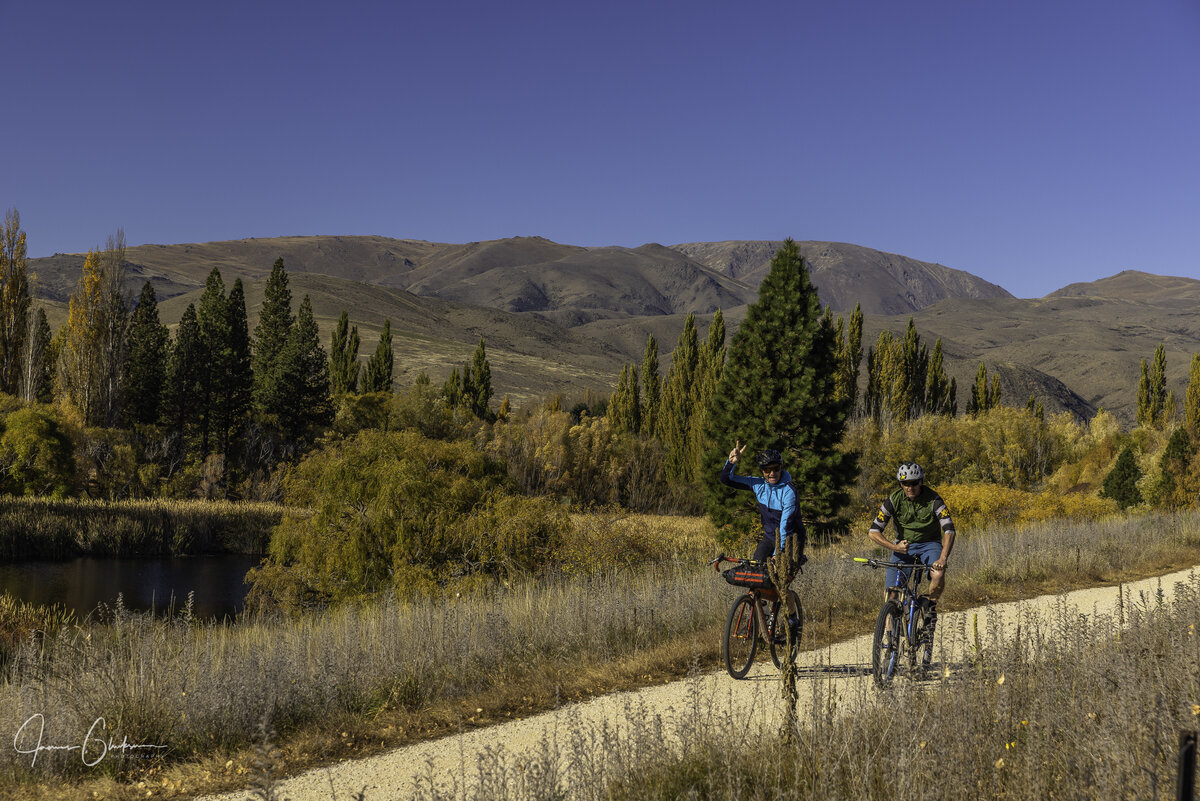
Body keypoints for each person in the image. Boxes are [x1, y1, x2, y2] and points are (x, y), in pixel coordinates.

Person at [866, 462, 956, 648]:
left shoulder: (934, 499)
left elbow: (949, 530)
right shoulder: (894, 500)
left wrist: (942, 559)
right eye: (905, 483)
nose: (910, 487)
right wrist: (894, 546)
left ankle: (930, 608)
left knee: (938, 574)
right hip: (902, 547)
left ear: (921, 482)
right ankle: (890, 637)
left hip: (929, 544)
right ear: (900, 484)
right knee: (891, 592)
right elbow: (873, 531)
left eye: (914, 483)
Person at [719, 440, 806, 628]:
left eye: (775, 469)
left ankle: (792, 619)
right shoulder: (758, 485)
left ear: (781, 468)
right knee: (754, 574)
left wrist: (777, 555)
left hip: (791, 539)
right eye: (767, 470)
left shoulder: (789, 492)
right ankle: (763, 617)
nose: (772, 473)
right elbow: (727, 479)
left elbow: (785, 526)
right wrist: (731, 463)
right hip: (769, 537)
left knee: (779, 582)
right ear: (762, 472)